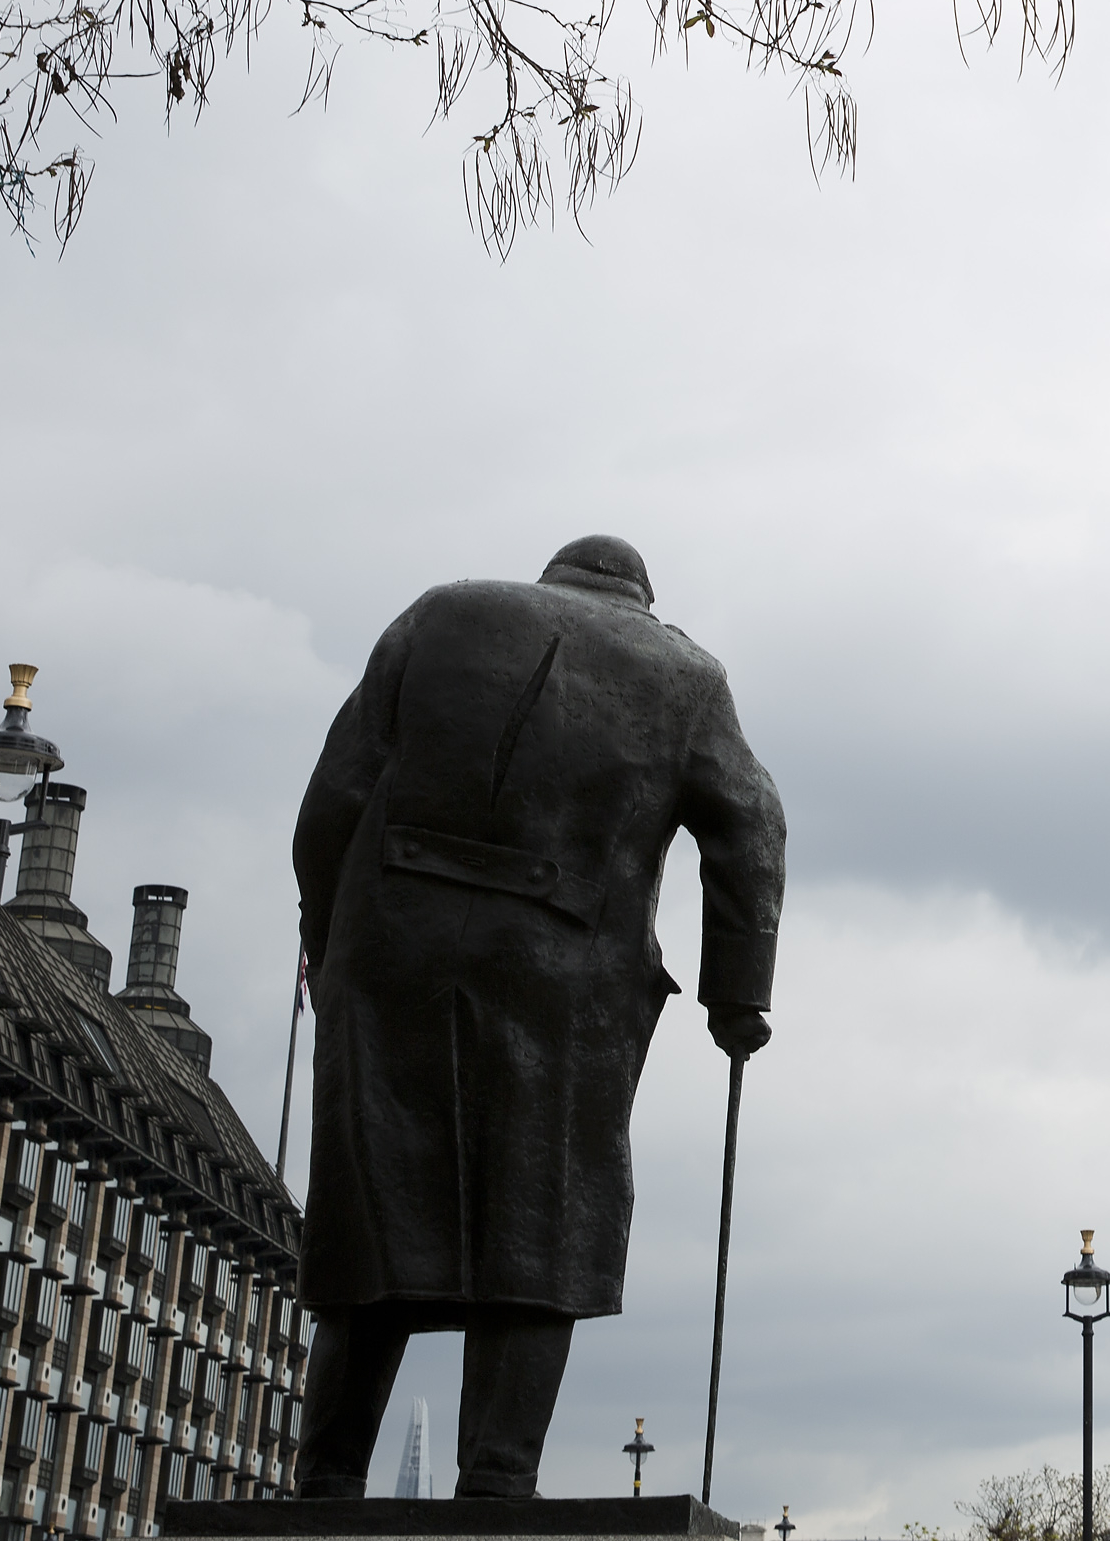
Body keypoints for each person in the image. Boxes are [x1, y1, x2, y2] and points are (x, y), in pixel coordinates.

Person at [288, 535, 785, 1498]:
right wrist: (736, 996)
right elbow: (752, 824)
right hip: (565, 977)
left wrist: (326, 937)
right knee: (544, 1213)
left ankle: (328, 1476)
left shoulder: (440, 612)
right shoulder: (686, 674)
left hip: (389, 950)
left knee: (375, 1210)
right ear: (641, 599)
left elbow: (332, 798)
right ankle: (498, 1476)